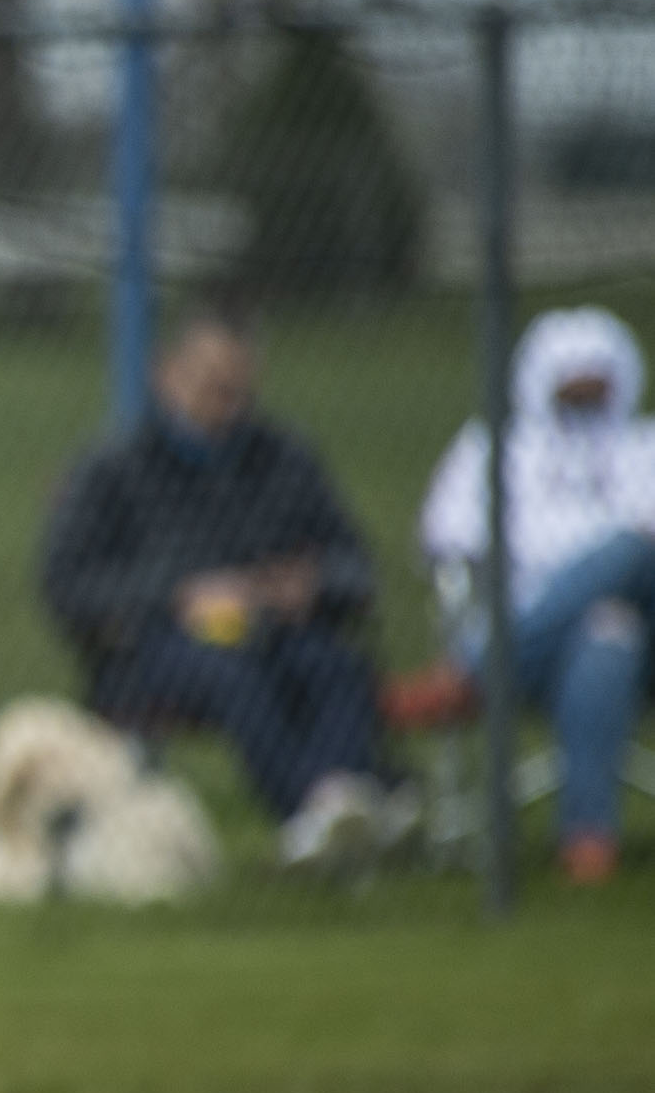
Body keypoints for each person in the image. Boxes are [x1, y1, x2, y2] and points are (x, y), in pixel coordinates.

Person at [35, 300, 405, 868]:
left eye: (239, 389)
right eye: (212, 386)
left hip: (275, 631)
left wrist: (310, 587)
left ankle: (334, 809)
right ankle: (318, 816)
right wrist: (177, 595)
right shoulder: (114, 468)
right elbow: (67, 585)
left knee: (335, 666)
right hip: (153, 649)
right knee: (232, 676)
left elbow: (354, 565)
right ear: (167, 373)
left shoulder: (283, 458)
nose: (227, 404)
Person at [407, 305, 655, 886]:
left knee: (628, 554)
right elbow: (445, 537)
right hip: (540, 650)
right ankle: (589, 842)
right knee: (604, 634)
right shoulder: (493, 449)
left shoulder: (646, 447)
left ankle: (464, 676)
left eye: (596, 389)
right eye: (570, 391)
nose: (585, 404)